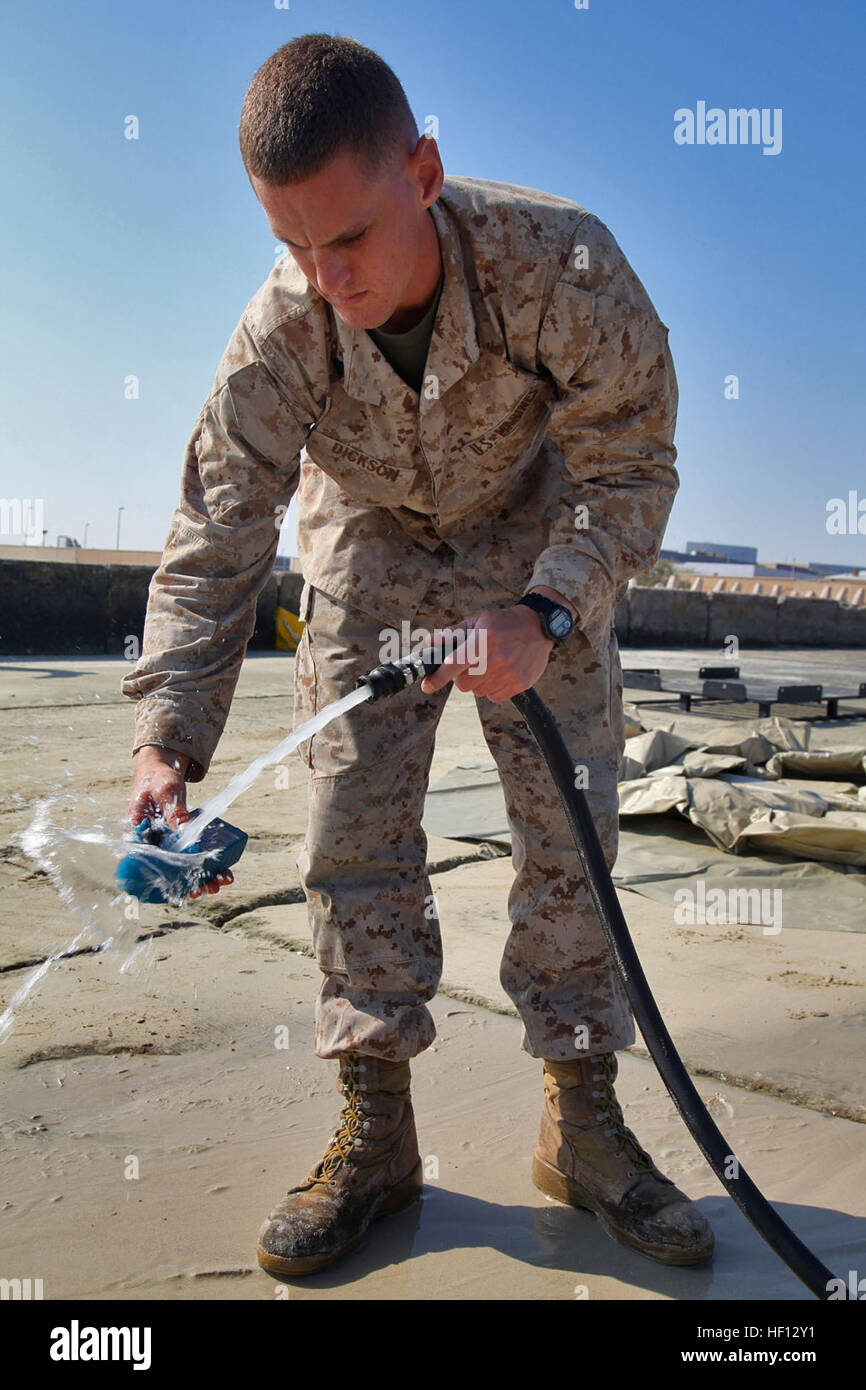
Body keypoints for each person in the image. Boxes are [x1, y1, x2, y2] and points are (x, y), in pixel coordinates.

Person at [122, 32, 714, 1279]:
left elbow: (631, 465)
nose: (323, 276)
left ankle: (583, 1119)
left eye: (347, 238)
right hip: (367, 550)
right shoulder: (278, 333)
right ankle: (376, 1130)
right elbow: (218, 532)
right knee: (350, 833)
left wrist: (548, 609)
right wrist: (165, 743)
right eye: (291, 245)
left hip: (533, 535)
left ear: (424, 171)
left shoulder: (559, 262)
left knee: (571, 823)